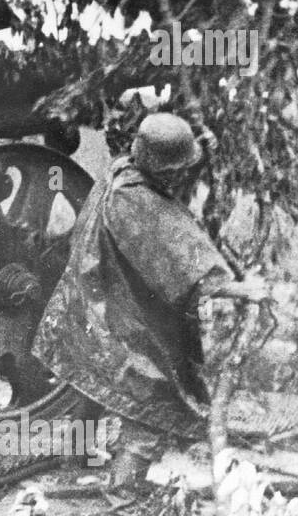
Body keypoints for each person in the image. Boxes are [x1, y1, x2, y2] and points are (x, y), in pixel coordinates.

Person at [32, 112, 270, 490]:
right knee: (151, 396)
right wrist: (240, 289)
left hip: (89, 306)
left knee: (91, 381)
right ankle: (125, 492)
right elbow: (180, 259)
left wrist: (200, 146)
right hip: (117, 317)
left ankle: (73, 458)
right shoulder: (138, 201)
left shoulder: (120, 172)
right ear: (166, 169)